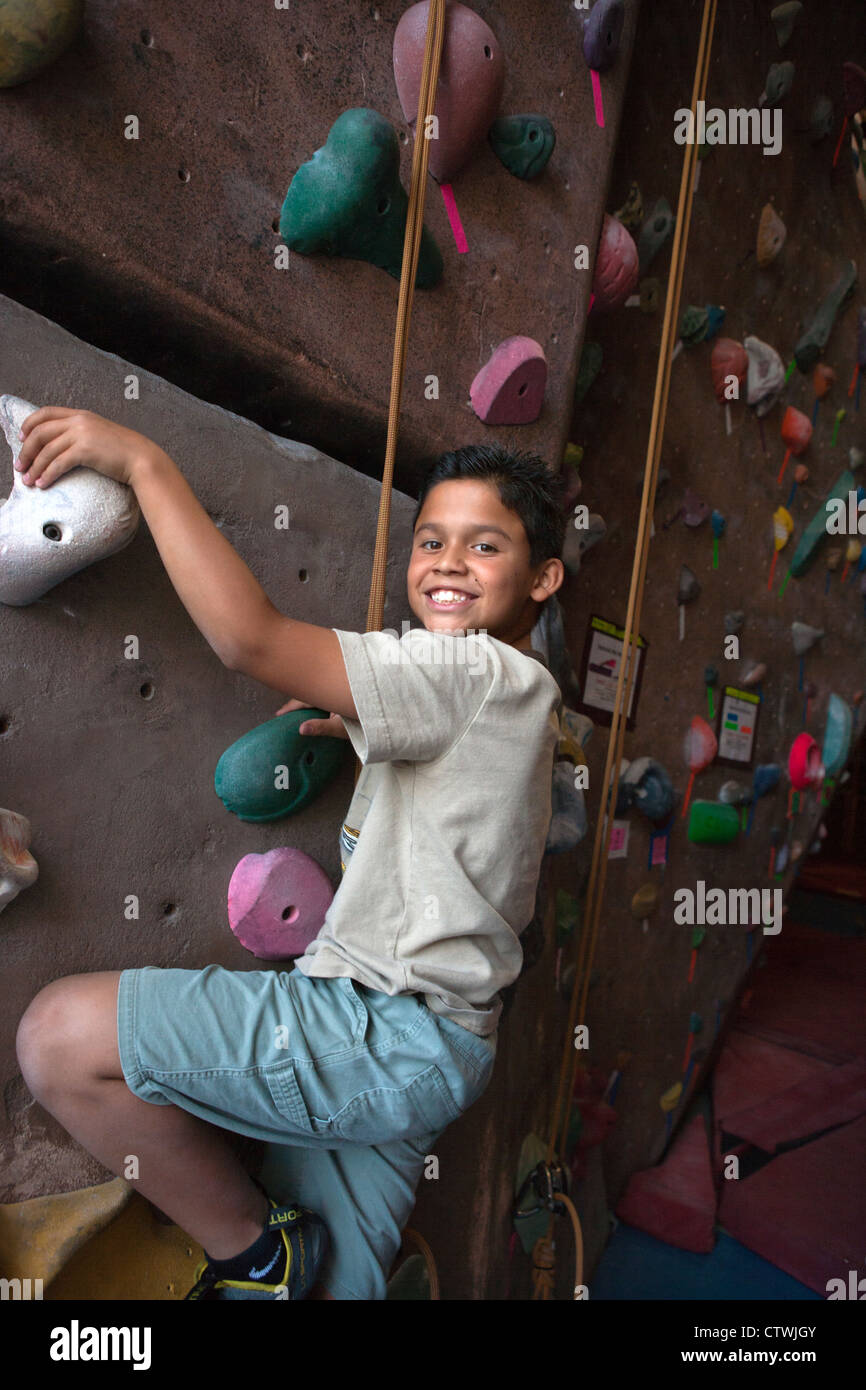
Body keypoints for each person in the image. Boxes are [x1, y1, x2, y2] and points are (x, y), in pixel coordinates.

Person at [14, 407, 566, 1300]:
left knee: (57, 1038)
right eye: (430, 541)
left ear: (544, 578)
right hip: (438, 1044)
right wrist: (356, 717)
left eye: (485, 546)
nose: (447, 564)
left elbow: (252, 639)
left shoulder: (470, 673)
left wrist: (144, 462)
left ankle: (256, 1252)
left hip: (387, 1031)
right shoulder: (512, 698)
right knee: (344, 1289)